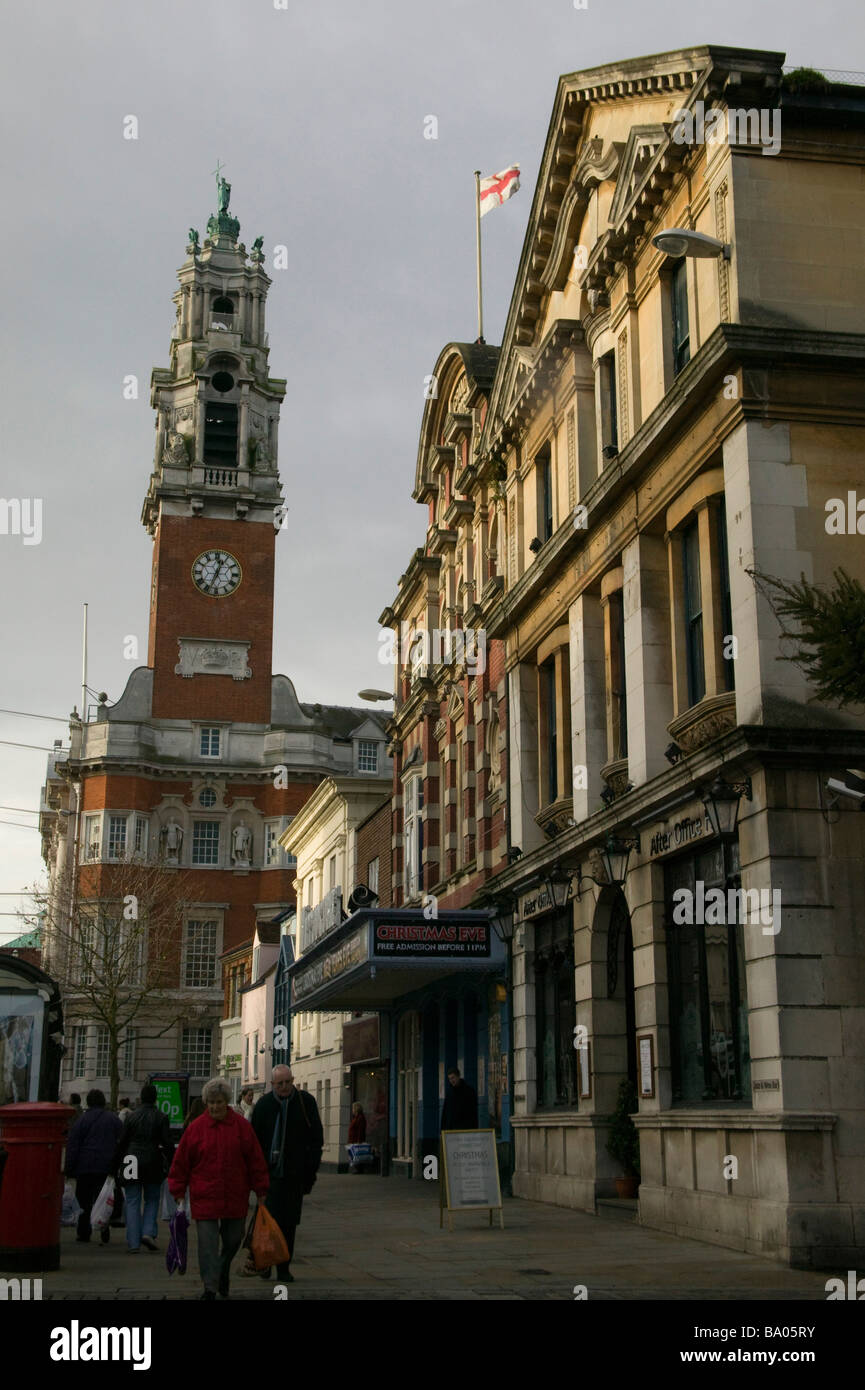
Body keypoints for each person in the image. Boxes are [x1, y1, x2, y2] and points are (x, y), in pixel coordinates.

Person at [168, 1076, 269, 1301]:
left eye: (219, 1102)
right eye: (211, 1103)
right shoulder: (196, 1129)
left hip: (235, 1195)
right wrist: (177, 1191)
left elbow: (255, 1160)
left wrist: (261, 1190)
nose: (215, 1107)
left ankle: (221, 1269)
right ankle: (210, 1288)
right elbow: (181, 1162)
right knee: (207, 1245)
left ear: (226, 1102)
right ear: (206, 1104)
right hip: (205, 1197)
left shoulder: (242, 1127)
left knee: (234, 1239)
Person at [250, 1066, 323, 1283]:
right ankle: (264, 1262)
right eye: (279, 1084)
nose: (284, 1087)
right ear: (272, 1085)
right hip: (270, 1175)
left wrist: (310, 1172)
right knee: (268, 1222)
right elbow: (254, 1144)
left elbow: (316, 1138)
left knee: (289, 1224)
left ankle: (283, 1267)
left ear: (293, 1081)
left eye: (287, 1082)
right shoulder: (264, 1106)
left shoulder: (305, 1103)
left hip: (294, 1174)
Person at [114, 1083, 174, 1254]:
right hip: (153, 1159)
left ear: (141, 1098)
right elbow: (167, 1143)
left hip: (131, 1158)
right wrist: (173, 1161)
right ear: (155, 1098)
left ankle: (133, 1242)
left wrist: (116, 1164)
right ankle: (148, 1232)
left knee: (132, 1200)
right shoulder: (161, 1117)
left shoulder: (131, 1117)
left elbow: (122, 1142)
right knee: (152, 1198)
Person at [65, 1089, 123, 1244]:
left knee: (84, 1201)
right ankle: (104, 1226)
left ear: (88, 1102)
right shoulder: (113, 1119)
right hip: (106, 1166)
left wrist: (69, 1168)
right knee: (103, 1199)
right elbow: (121, 1141)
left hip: (85, 1166)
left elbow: (73, 1146)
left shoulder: (81, 1121)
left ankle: (84, 1232)